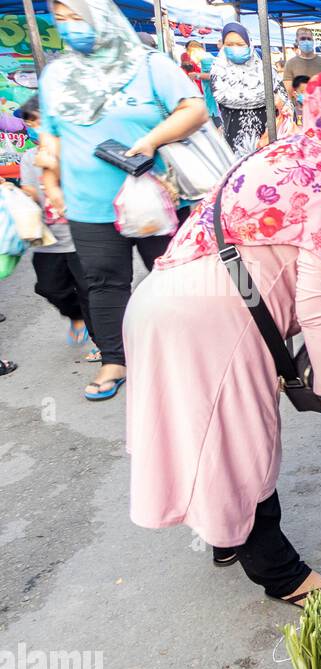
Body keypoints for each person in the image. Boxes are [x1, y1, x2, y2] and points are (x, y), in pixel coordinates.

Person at [123, 65, 321, 610]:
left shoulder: (297, 154)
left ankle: (225, 535)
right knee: (245, 447)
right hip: (213, 318)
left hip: (167, 300)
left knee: (206, 434)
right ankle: (282, 575)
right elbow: (317, 305)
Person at [38, 0, 207, 401]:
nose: (68, 27)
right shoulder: (57, 73)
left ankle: (186, 353)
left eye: (76, 16)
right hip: (88, 204)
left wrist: (150, 140)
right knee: (102, 283)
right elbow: (51, 133)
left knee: (174, 278)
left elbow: (194, 109)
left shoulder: (148, 64)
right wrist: (52, 183)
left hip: (157, 197)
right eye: (60, 19)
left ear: (102, 16)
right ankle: (115, 359)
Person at [16, 97, 90, 351]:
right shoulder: (29, 158)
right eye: (29, 122)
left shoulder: (76, 149)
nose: (33, 126)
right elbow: (29, 190)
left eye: (37, 120)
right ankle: (76, 315)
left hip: (82, 236)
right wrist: (14, 194)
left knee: (92, 291)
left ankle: (104, 343)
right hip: (48, 239)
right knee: (49, 288)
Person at [210, 23, 275, 157]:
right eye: (229, 44)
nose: (234, 48)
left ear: (249, 44)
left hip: (270, 139)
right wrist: (268, 97)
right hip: (234, 143)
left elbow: (284, 100)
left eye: (240, 44)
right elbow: (224, 98)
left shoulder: (265, 69)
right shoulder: (219, 70)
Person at [282, 27, 321, 100]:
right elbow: (288, 92)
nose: (306, 41)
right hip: (301, 108)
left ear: (313, 41)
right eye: (303, 39)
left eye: (309, 39)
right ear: (297, 42)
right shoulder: (290, 64)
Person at [180, 39, 219, 125]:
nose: (191, 59)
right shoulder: (207, 59)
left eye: (190, 54)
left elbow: (214, 76)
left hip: (214, 103)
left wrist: (197, 75)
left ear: (194, 50)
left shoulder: (207, 60)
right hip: (211, 102)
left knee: (217, 126)